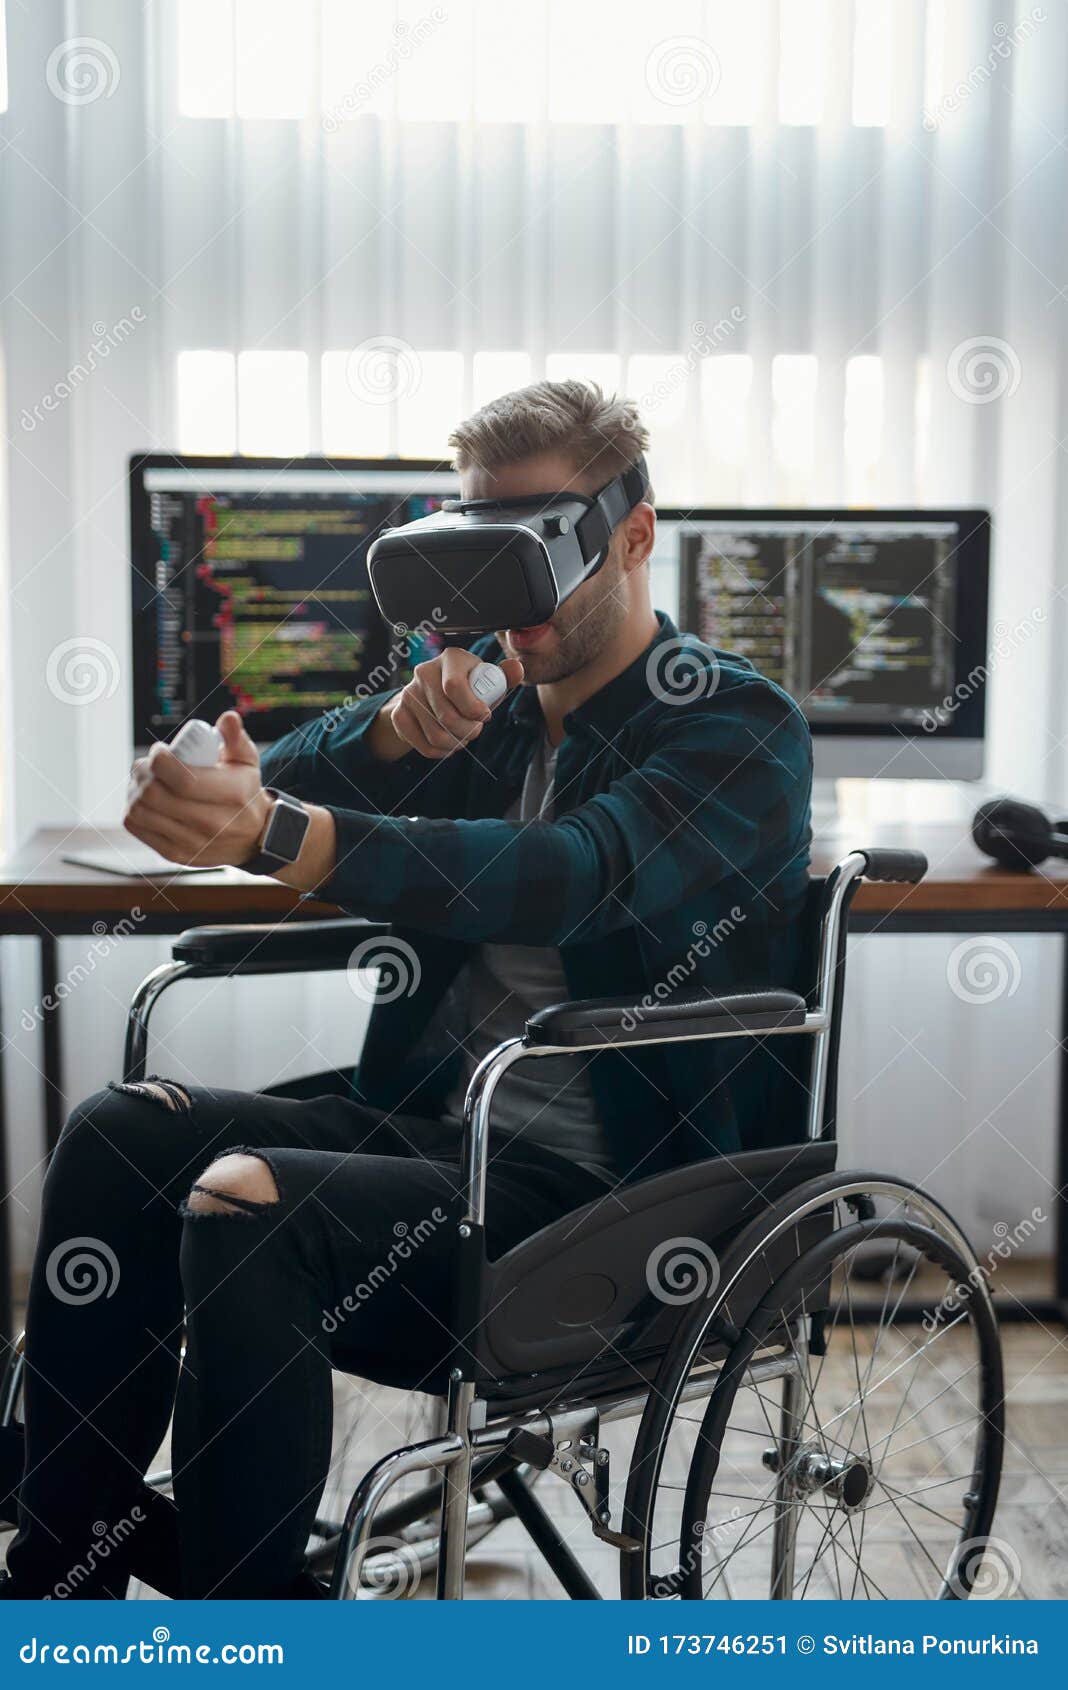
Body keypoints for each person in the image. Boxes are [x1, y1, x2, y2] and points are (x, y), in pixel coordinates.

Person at [0, 380, 812, 1599]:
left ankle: (249, 1616)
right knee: (122, 1133)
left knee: (248, 1200)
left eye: (537, 560)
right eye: (481, 563)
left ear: (633, 536)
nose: (510, 613)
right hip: (443, 1131)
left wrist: (287, 833)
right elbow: (284, 771)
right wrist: (386, 734)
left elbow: (571, 875)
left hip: (626, 1192)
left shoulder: (738, 726)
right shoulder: (479, 710)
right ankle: (59, 1576)